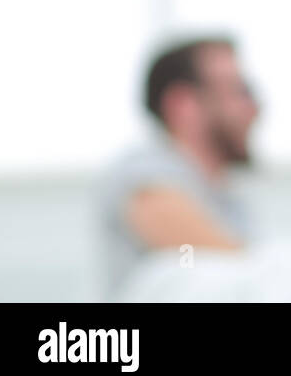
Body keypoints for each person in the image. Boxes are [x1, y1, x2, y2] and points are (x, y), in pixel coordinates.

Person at [97, 37, 256, 297]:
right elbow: (231, 268)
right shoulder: (143, 173)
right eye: (238, 91)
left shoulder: (229, 198)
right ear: (182, 104)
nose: (253, 107)